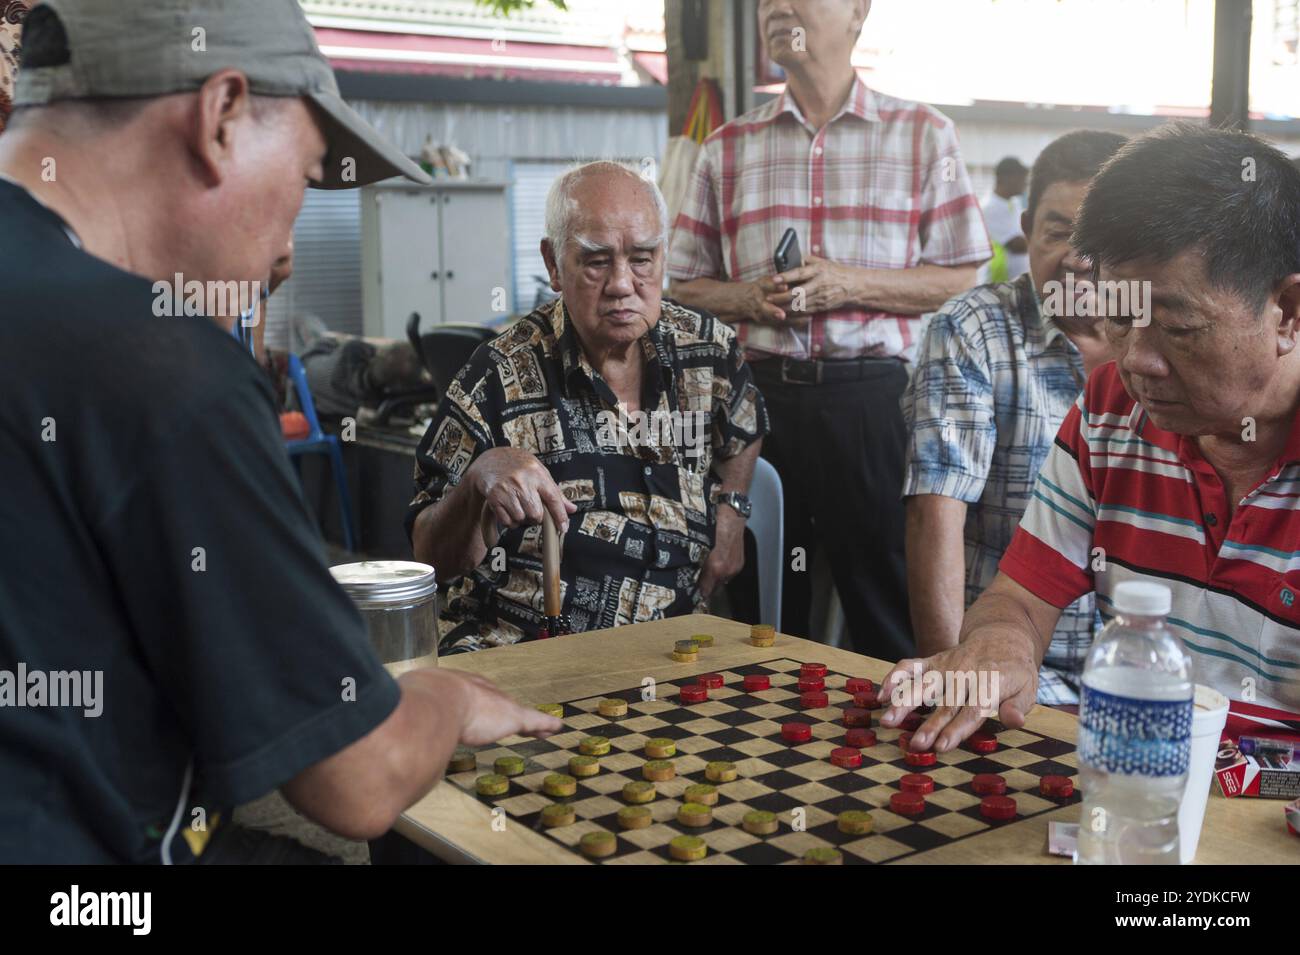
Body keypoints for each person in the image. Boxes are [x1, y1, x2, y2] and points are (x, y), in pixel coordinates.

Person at [0, 0, 559, 864]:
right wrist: (449, 699)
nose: (292, 251)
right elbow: (356, 779)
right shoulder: (165, 366)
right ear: (220, 116)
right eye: (305, 175)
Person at [880, 123, 1300, 751]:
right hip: (1140, 787)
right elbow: (1020, 599)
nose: (1137, 361)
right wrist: (1000, 648)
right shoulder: (1111, 411)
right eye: (1120, 315)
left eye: (1179, 329)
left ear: (1288, 311)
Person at [668, 0, 991, 658]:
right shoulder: (726, 147)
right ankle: (762, 743)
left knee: (886, 603)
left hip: (870, 403)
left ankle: (899, 749)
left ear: (857, 12)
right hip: (755, 406)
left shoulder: (923, 134)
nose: (777, 8)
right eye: (766, 0)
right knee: (761, 606)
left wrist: (850, 284)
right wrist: (748, 298)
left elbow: (960, 274)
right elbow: (680, 284)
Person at [408, 161, 768, 653]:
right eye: (597, 261)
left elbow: (745, 428)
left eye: (642, 259)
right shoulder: (497, 374)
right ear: (554, 264)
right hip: (520, 642)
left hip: (674, 641)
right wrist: (478, 481)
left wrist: (732, 516)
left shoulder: (708, 351)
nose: (622, 284)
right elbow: (430, 559)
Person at [902, 131, 1127, 705]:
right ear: (1026, 228)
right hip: (1014, 669)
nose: (1078, 259)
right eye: (1058, 233)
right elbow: (937, 511)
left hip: (1143, 668)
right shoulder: (974, 328)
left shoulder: (1164, 345)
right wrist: (955, 675)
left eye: (1102, 238)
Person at [980, 156, 1029, 283]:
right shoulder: (990, 207)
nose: (1025, 182)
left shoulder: (1014, 202)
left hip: (1017, 280)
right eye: (1020, 177)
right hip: (1000, 281)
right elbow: (1018, 245)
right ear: (1003, 178)